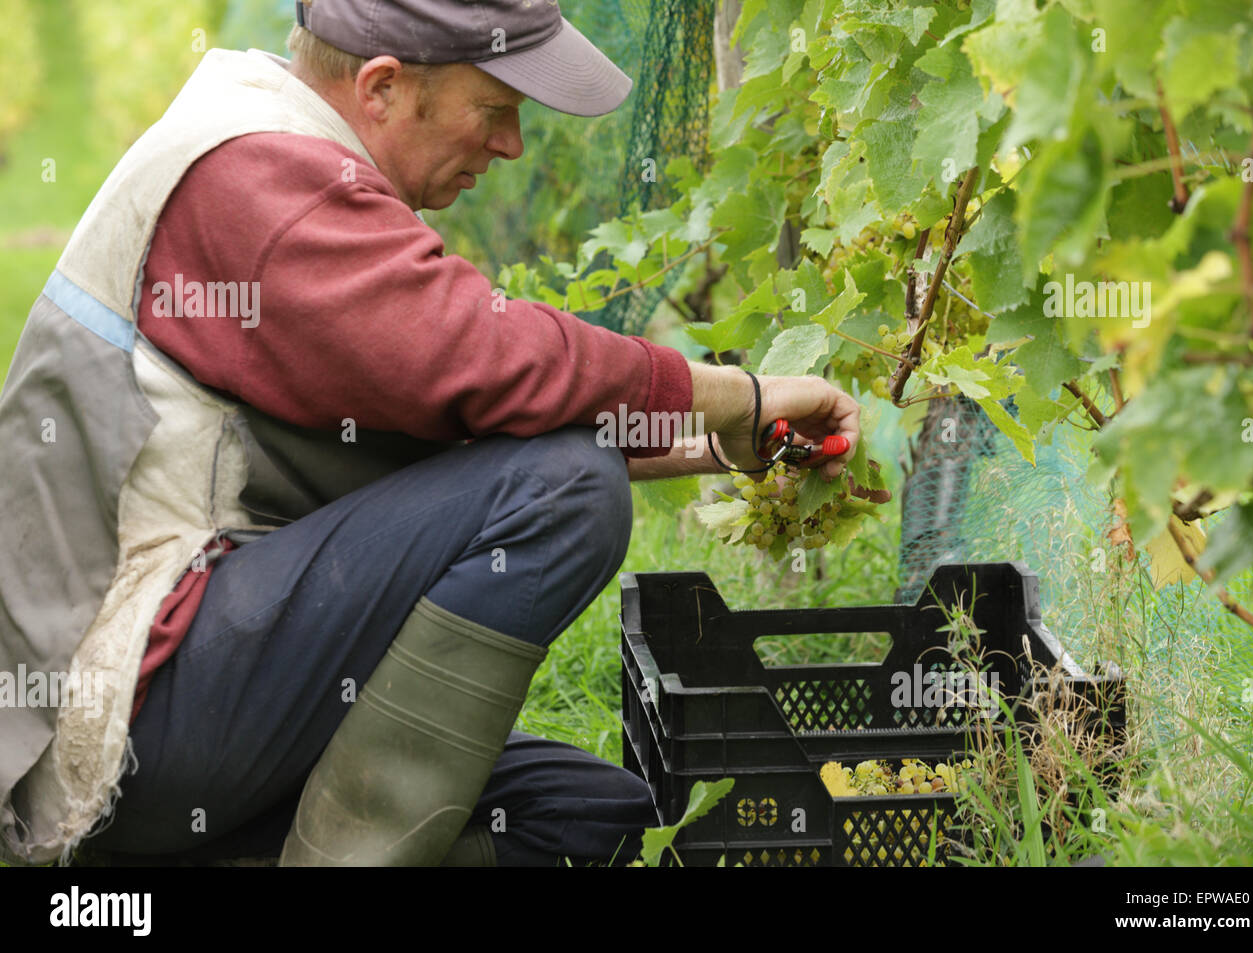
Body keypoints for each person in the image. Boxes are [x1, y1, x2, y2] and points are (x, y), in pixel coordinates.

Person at [0, 0, 861, 867]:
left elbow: (451, 428)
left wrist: (720, 445)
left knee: (588, 820)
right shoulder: (261, 179)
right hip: (127, 723)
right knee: (567, 489)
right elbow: (488, 362)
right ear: (383, 87)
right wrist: (735, 396)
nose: (512, 145)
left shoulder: (277, 155)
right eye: (494, 111)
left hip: (207, 687)